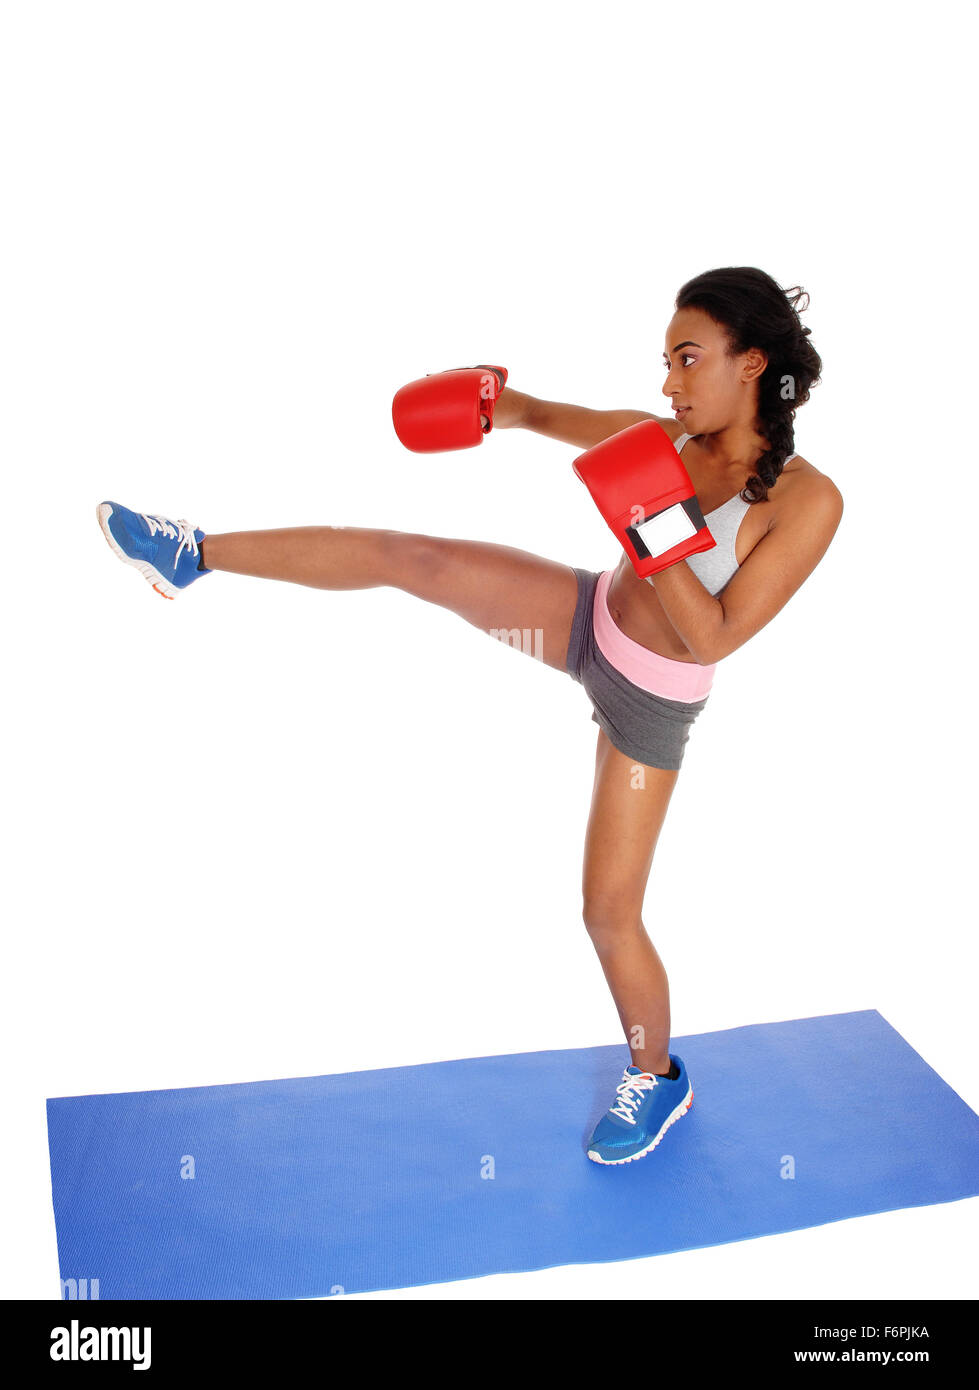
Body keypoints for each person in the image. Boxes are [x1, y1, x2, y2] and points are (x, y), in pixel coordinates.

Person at [97, 266, 843, 1165]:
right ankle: (192, 554)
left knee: (605, 911)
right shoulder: (663, 439)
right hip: (576, 625)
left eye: (687, 360)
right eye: (665, 362)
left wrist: (648, 523)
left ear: (753, 362)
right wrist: (501, 401)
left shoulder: (806, 502)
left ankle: (658, 1076)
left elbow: (715, 633)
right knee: (413, 557)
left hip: (646, 706)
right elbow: (543, 417)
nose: (668, 384)